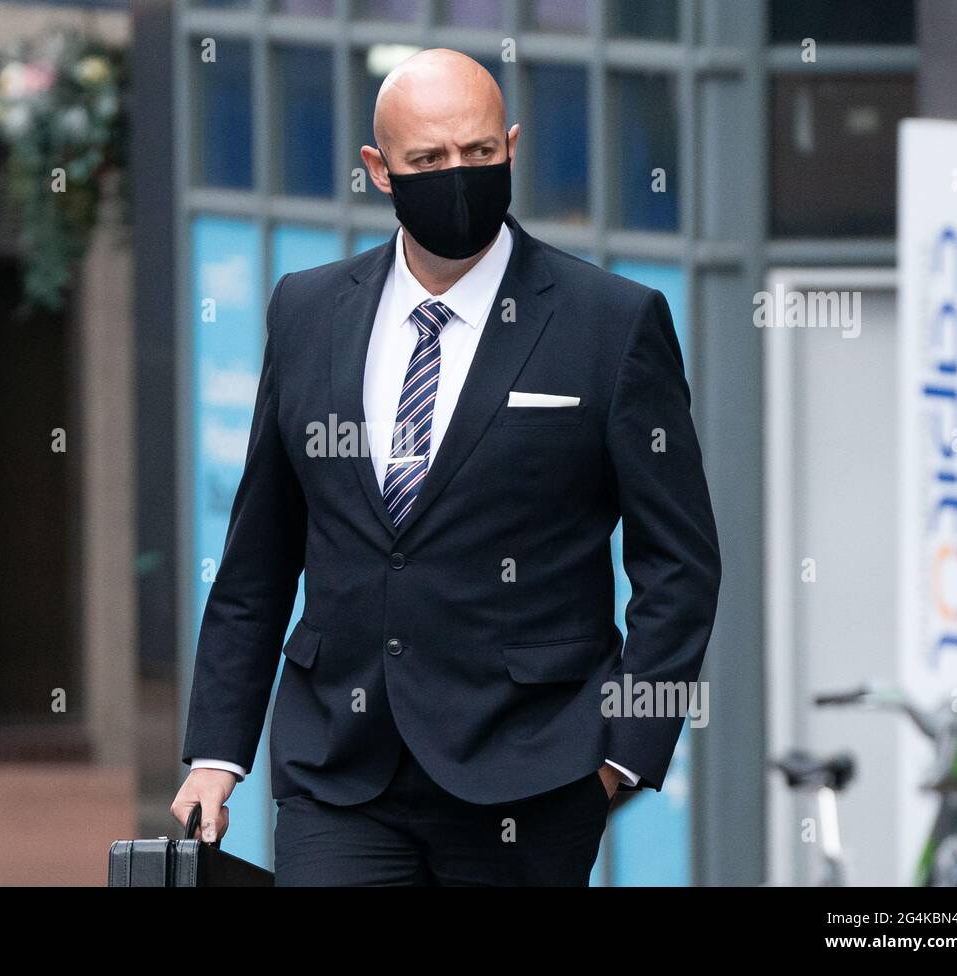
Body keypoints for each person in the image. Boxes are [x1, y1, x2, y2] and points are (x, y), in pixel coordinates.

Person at [171, 48, 721, 885]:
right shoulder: (307, 311)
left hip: (532, 775)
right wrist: (217, 752)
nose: (457, 176)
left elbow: (678, 564)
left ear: (511, 145)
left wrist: (621, 756)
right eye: (428, 161)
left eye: (478, 154)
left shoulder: (612, 324)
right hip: (339, 769)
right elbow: (259, 556)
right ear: (378, 171)